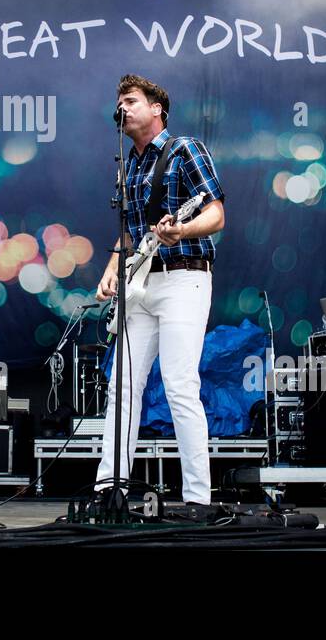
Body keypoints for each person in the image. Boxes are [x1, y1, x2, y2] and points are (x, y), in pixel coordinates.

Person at [95, 74, 226, 509]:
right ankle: (109, 489)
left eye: (131, 100)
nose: (122, 108)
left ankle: (197, 499)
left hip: (184, 278)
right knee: (123, 386)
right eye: (119, 102)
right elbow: (131, 235)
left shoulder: (185, 149)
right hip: (142, 285)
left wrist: (182, 230)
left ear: (157, 109)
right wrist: (112, 268)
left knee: (179, 384)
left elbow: (216, 213)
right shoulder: (128, 165)